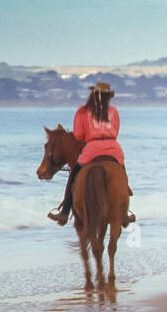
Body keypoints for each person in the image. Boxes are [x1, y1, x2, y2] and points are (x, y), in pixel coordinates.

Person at [48, 81, 136, 226]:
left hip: (92, 149)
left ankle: (64, 213)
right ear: (108, 96)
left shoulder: (83, 111)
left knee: (74, 175)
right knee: (122, 175)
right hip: (113, 148)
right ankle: (124, 214)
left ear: (93, 95)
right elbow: (116, 130)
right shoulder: (113, 111)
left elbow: (78, 135)